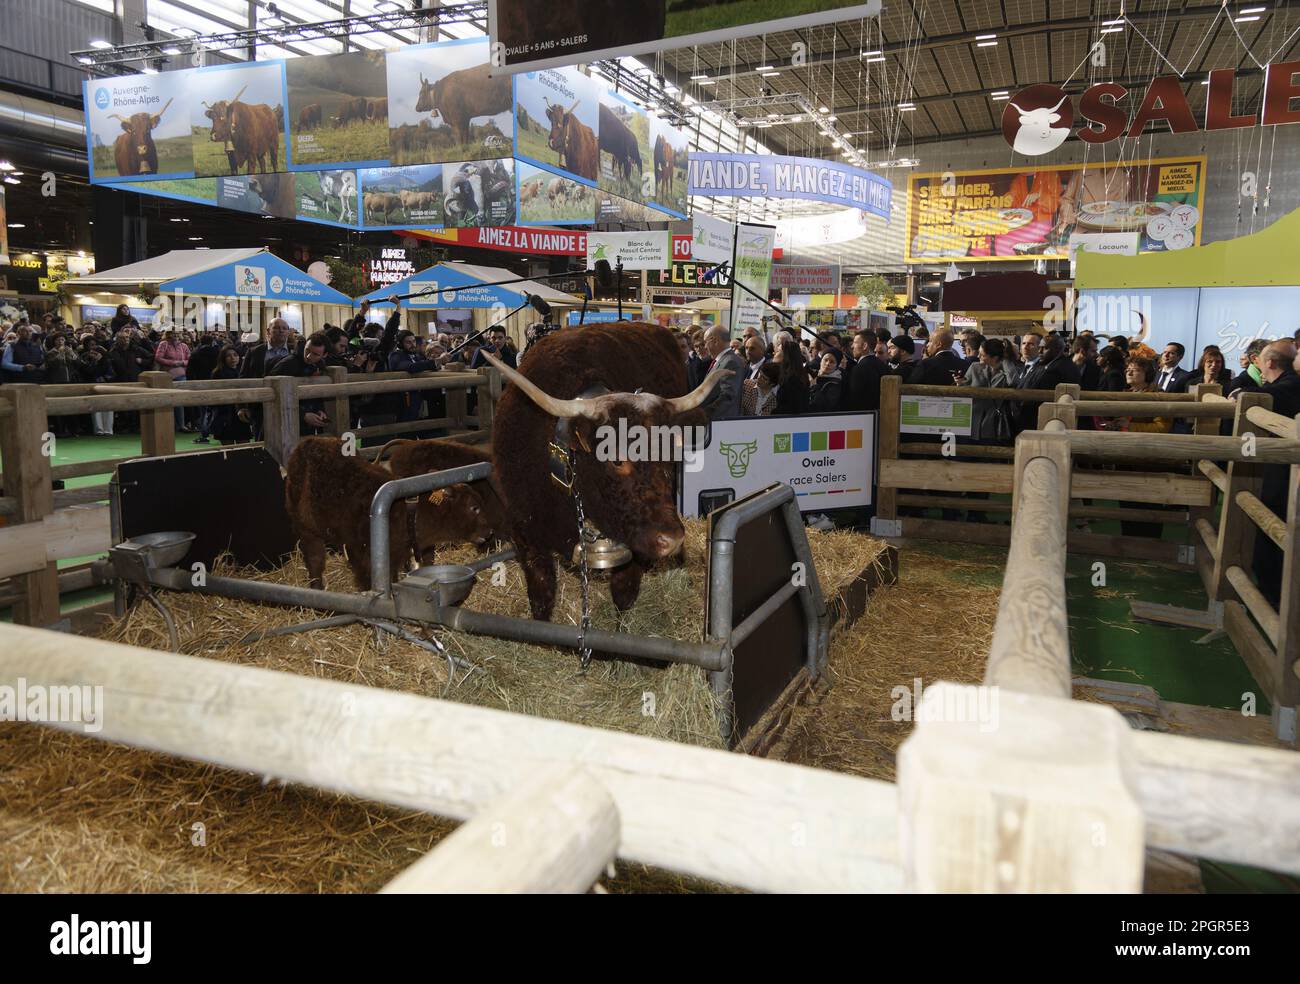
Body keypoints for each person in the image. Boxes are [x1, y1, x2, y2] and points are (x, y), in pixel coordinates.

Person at [1099, 357, 1172, 538]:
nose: (1129, 372)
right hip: (1126, 457)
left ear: (1147, 374)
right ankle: (1129, 544)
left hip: (1149, 460)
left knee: (1149, 505)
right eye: (1128, 369)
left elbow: (1162, 428)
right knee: (1126, 503)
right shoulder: (1125, 394)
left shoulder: (1159, 395)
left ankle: (1150, 545)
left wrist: (1128, 426)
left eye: (1136, 370)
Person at [1251, 343, 1300, 605]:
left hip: (1283, 478)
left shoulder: (1290, 384)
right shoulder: (1288, 382)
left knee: (1275, 534)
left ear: (1268, 362)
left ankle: (1276, 602)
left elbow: (1265, 395)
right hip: (1278, 474)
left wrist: (1240, 393)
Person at [237, 318, 293, 439]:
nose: (281, 331)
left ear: (288, 332)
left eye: (284, 328)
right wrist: (242, 406)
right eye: (277, 328)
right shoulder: (254, 352)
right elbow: (243, 380)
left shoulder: (295, 352)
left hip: (290, 406)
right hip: (260, 408)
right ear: (268, 331)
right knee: (262, 442)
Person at [1014, 333, 1080, 433]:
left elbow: (1040, 400)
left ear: (1057, 350)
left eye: (1044, 348)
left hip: (1045, 423)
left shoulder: (1056, 369)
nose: (1040, 351)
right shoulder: (1052, 365)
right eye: (1039, 348)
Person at [268, 331, 330, 434]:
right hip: (282, 425)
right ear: (305, 345)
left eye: (315, 354)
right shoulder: (288, 364)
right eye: (307, 350)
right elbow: (274, 394)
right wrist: (303, 415)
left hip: (307, 422)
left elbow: (317, 392)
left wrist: (319, 410)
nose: (309, 356)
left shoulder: (320, 366)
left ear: (325, 355)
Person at [959, 337, 1015, 441]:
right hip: (974, 419)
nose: (978, 356)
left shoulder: (1007, 370)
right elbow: (963, 388)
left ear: (994, 358)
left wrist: (1005, 359)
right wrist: (959, 383)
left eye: (983, 355)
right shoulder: (975, 367)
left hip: (996, 422)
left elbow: (1012, 381)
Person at [388, 329, 439, 423]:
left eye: (414, 341)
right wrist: (435, 362)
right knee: (405, 429)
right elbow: (411, 367)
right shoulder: (395, 355)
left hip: (418, 398)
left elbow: (422, 366)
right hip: (404, 400)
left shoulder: (416, 356)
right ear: (400, 344)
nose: (413, 344)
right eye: (408, 342)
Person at [700, 325, 744, 420]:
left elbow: (727, 396)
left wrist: (704, 414)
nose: (705, 347)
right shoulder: (723, 360)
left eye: (705, 342)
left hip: (721, 422)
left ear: (715, 341)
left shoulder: (731, 362)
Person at [154, 328, 194, 433]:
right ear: (168, 334)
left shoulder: (184, 346)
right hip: (166, 376)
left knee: (180, 401)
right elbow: (158, 358)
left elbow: (190, 359)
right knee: (166, 401)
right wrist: (172, 363)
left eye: (178, 333)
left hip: (181, 375)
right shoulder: (164, 344)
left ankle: (181, 425)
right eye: (173, 333)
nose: (176, 335)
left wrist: (182, 363)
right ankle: (167, 425)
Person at [209, 346, 251, 445]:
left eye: (235, 355)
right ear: (223, 358)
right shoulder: (218, 373)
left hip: (241, 413)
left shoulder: (243, 371)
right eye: (228, 356)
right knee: (228, 448)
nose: (233, 358)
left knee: (244, 446)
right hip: (225, 415)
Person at [843, 330, 883, 412]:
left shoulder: (859, 369)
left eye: (855, 343)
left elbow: (854, 399)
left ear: (865, 346)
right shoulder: (883, 366)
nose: (852, 346)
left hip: (862, 418)